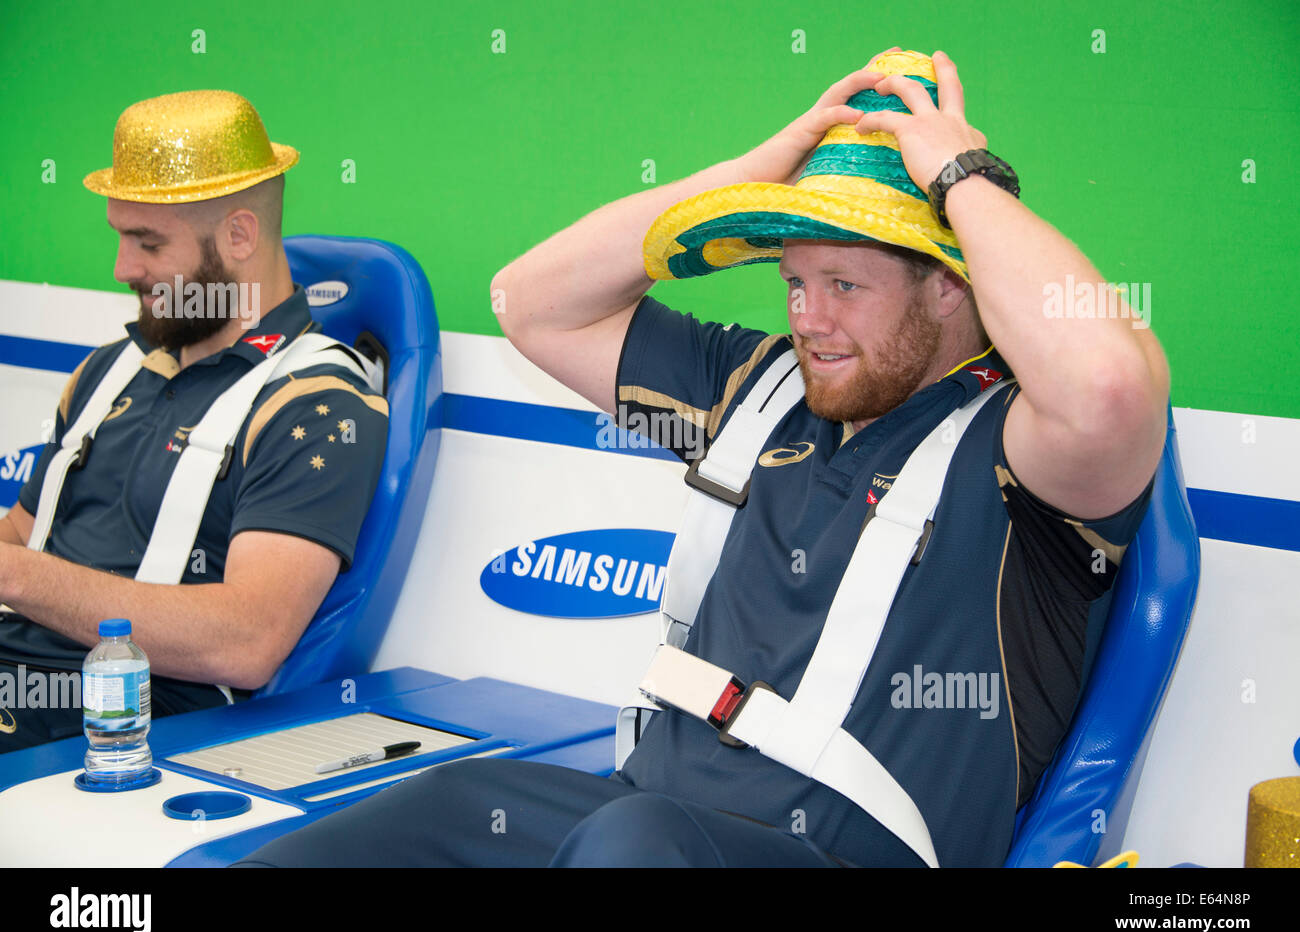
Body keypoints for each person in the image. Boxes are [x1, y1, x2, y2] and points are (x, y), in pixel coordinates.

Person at [238, 48, 1168, 867]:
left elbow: (1111, 385)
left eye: (845, 284)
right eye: (795, 281)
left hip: (820, 853)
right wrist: (751, 174)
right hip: (646, 820)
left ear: (952, 291)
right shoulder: (760, 390)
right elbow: (530, 302)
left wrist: (965, 179)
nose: (808, 316)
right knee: (427, 814)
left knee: (636, 841)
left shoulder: (1026, 460)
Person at [0, 90, 389, 752]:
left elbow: (248, 641)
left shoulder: (317, 406)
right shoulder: (107, 371)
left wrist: (12, 577)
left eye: (148, 242)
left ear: (240, 235)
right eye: (121, 236)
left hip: (128, 722)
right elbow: (22, 535)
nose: (124, 269)